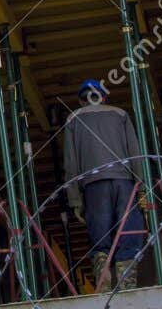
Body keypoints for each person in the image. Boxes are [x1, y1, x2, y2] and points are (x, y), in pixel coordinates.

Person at [62, 79, 149, 292]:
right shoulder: (120, 115)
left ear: (81, 99)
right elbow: (136, 153)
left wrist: (75, 200)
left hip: (94, 184)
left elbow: (71, 164)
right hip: (124, 181)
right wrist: (143, 188)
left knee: (100, 232)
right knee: (129, 228)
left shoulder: (73, 119)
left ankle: (103, 278)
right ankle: (126, 277)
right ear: (104, 96)